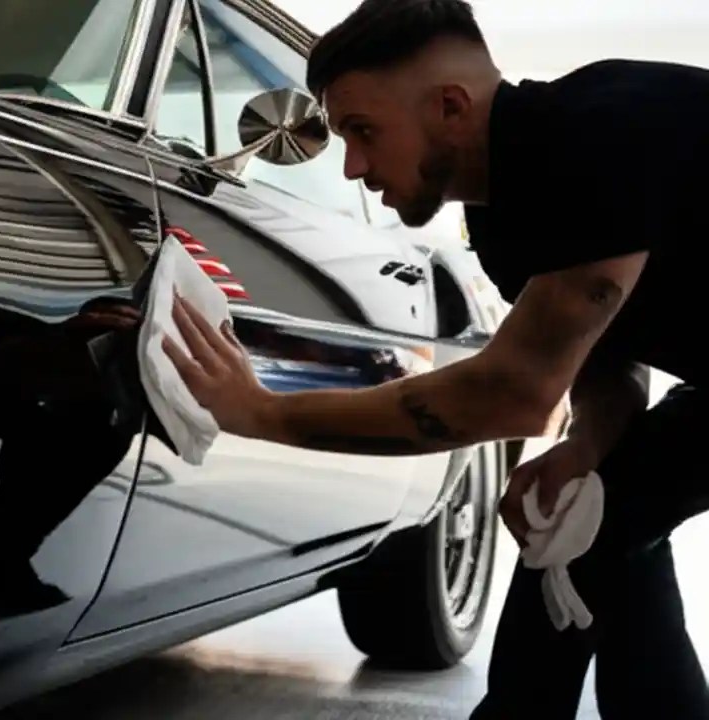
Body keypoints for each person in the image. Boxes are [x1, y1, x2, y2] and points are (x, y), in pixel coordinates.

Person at [161, 0, 709, 717]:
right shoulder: (506, 219)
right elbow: (610, 354)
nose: (352, 166)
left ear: (450, 106)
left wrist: (262, 411)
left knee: (599, 530)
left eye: (362, 132)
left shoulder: (597, 129)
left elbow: (510, 394)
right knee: (592, 522)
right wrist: (586, 444)